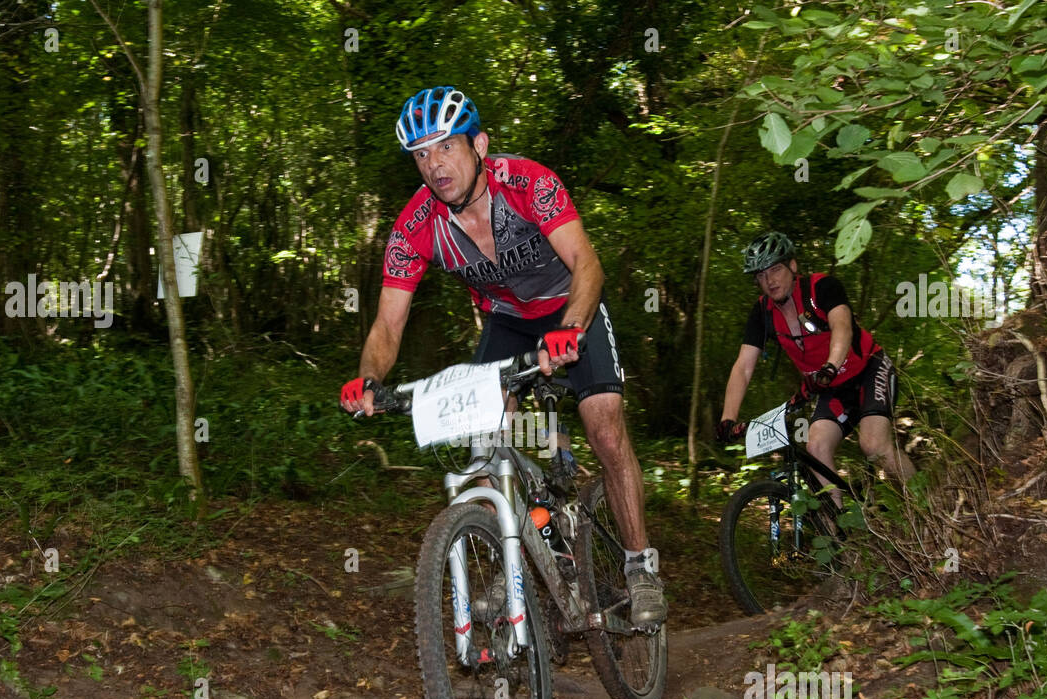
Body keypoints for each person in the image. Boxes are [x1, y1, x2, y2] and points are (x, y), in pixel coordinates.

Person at [339, 86, 665, 627]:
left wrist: (572, 328)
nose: (434, 164)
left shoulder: (529, 184)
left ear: (480, 145)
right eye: (421, 155)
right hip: (509, 322)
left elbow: (587, 262)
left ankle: (639, 565)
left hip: (570, 305)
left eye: (445, 147)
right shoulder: (415, 227)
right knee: (484, 443)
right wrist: (367, 378)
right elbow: (388, 322)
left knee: (605, 429)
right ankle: (511, 563)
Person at [717, 231, 915, 500]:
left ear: (793, 266)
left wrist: (831, 365)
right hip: (832, 388)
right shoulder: (762, 314)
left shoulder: (821, 288)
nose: (769, 280)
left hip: (870, 369)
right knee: (816, 448)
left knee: (873, 445)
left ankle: (924, 504)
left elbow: (842, 326)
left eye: (775, 269)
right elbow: (743, 366)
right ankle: (838, 533)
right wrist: (728, 419)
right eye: (761, 275)